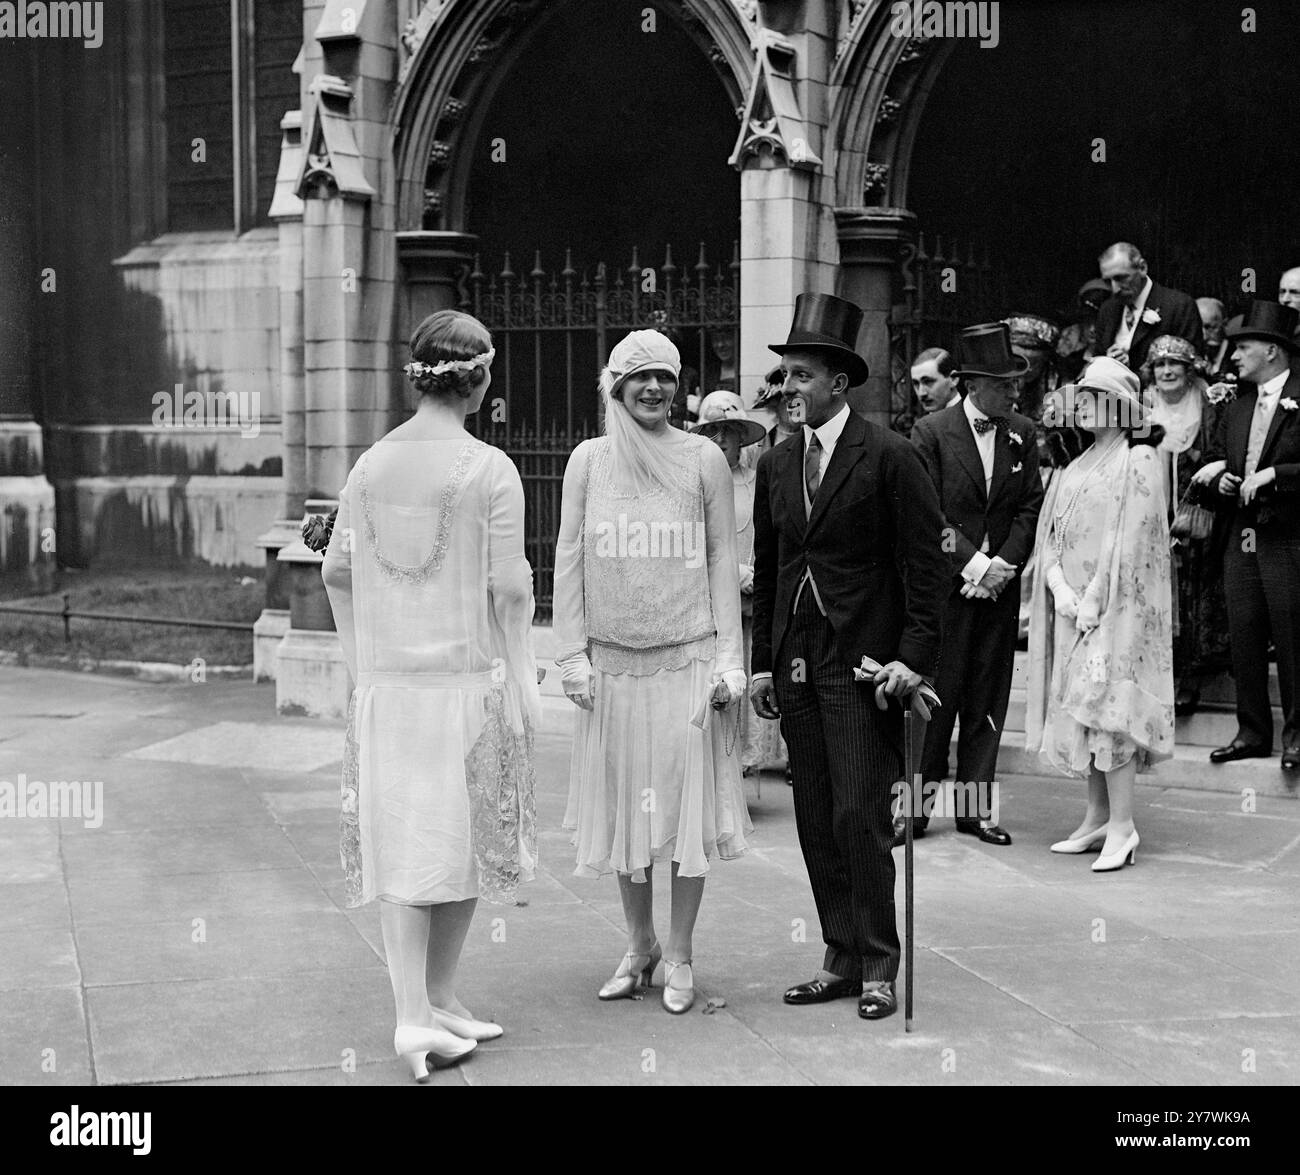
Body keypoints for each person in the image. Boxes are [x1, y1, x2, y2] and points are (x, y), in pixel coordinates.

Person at [321, 309, 541, 1081]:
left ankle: (438, 997)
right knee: (443, 846)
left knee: (436, 845)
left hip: (391, 691)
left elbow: (336, 573)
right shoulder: (489, 468)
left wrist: (361, 665)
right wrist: (521, 675)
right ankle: (412, 1018)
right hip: (463, 687)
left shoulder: (368, 464)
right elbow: (511, 590)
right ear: (479, 378)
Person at [750, 293, 949, 1020]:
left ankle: (877, 960)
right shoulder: (775, 464)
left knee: (861, 812)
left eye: (802, 375)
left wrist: (912, 660)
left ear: (839, 383)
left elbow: (926, 572)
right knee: (815, 814)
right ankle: (837, 951)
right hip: (796, 655)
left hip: (863, 661)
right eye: (786, 376)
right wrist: (763, 663)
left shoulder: (890, 455)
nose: (789, 389)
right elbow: (771, 567)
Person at [553, 330, 752, 1015]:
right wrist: (570, 652)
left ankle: (682, 952)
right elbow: (570, 556)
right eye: (639, 377)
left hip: (687, 660)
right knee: (626, 816)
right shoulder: (589, 460)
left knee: (681, 816)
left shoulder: (701, 459)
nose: (654, 389)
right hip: (611, 666)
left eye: (665, 377)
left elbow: (724, 558)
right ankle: (638, 945)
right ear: (615, 385)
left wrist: (730, 659)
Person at [1025, 357, 1174, 872]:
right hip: (1074, 611)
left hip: (1116, 615)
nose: (1084, 405)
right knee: (1083, 714)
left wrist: (1094, 600)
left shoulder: (1138, 460)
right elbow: (1052, 536)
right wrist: (1060, 589)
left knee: (1110, 711)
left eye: (1094, 397)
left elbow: (1133, 543)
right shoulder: (1076, 463)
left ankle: (1124, 825)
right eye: (1082, 397)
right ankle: (1095, 818)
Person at [906, 322, 1044, 847]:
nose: (1015, 392)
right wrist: (974, 567)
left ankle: (973, 810)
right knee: (935, 698)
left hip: (999, 592)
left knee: (987, 699)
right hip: (946, 591)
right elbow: (926, 515)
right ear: (973, 384)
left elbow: (1030, 507)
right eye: (1005, 383)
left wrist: (1004, 565)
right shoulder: (931, 433)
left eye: (1016, 383)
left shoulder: (1021, 433)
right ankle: (915, 812)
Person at [1197, 300, 1300, 774]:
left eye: (1244, 347)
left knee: (1292, 635)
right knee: (1245, 634)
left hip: (1288, 535)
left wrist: (1277, 473)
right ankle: (1252, 731)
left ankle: (1296, 737)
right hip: (1241, 536)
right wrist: (1221, 481)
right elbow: (1224, 460)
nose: (1234, 356)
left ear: (1274, 352)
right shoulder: (1236, 408)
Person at [690, 391, 788, 778]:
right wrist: (735, 576)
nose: (721, 439)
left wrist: (756, 575)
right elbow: (697, 541)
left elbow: (773, 532)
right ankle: (722, 767)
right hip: (716, 598)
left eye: (728, 431)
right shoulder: (696, 482)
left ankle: (749, 759)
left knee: (754, 668)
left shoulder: (759, 476)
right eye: (711, 431)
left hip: (757, 594)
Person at [1140, 335, 1231, 716]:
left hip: (1198, 517)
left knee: (1196, 596)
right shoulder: (1141, 403)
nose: (1166, 372)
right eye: (1160, 365)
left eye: (1174, 364)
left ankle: (1192, 680)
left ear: (1189, 368)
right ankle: (1158, 678)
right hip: (1150, 515)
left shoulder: (1210, 401)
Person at [1095, 242, 1203, 372]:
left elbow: (1192, 365)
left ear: (1142, 268)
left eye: (1121, 278)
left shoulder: (1179, 306)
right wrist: (1107, 362)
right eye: (1108, 281)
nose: (1115, 288)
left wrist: (1134, 367)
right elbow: (1097, 356)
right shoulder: (1107, 309)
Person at [911, 347, 959, 414]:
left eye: (928, 382)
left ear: (953, 379)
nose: (921, 393)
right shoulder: (924, 422)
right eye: (916, 383)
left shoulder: (970, 416)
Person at [1197, 297, 1234, 378]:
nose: (1204, 336)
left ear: (1225, 324)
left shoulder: (1236, 355)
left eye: (1209, 327)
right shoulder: (1194, 357)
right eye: (1198, 328)